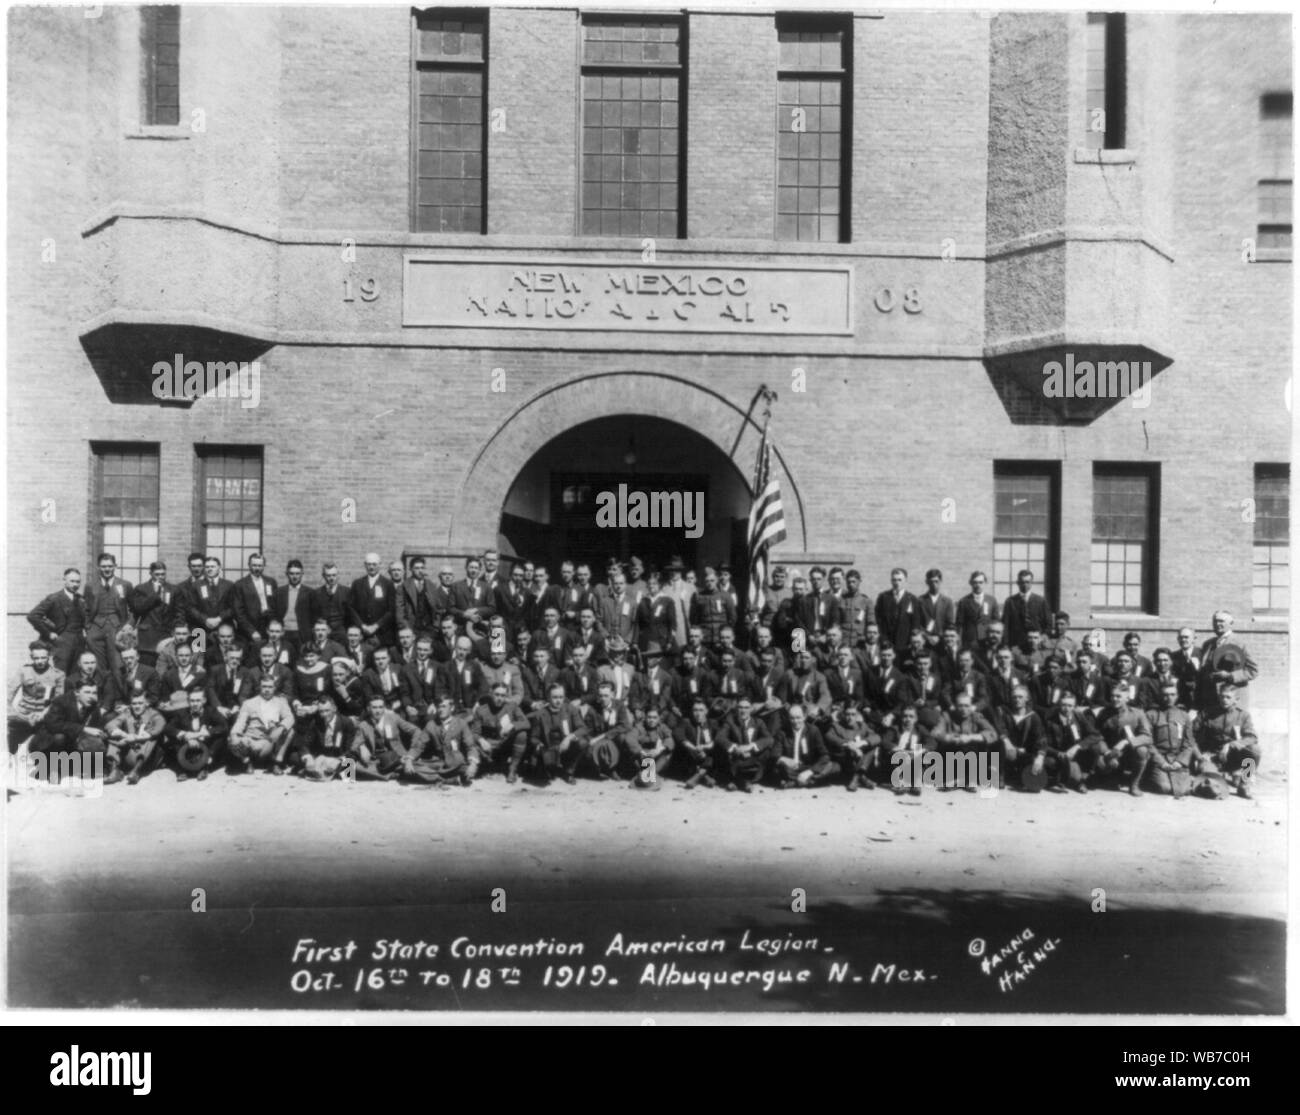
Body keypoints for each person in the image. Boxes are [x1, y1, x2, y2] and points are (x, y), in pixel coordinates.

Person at [1196, 685, 1260, 800]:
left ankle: (1244, 785)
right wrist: (1200, 755)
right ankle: (1223, 778)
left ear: (1236, 699)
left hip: (1233, 757)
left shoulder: (1243, 716)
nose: (1224, 700)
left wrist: (1230, 745)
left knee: (1254, 751)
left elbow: (1252, 737)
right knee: (1212, 790)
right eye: (1222, 697)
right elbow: (1190, 733)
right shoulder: (1207, 713)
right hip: (1212, 757)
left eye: (1228, 697)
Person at [931, 690, 998, 792]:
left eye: (967, 706)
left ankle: (967, 779)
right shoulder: (947, 715)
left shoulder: (976, 716)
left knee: (972, 743)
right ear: (955, 706)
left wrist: (971, 737)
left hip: (971, 754)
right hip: (952, 753)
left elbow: (993, 734)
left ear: (971, 706)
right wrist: (950, 737)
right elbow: (935, 732)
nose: (963, 709)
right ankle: (958, 779)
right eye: (960, 706)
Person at [229, 674, 294, 774]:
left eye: (270, 687)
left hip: (270, 742)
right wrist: (234, 734)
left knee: (290, 731)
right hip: (252, 741)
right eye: (264, 686)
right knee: (232, 739)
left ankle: (276, 763)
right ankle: (247, 763)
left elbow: (290, 718)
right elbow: (240, 722)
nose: (267, 690)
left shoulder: (281, 702)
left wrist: (280, 728)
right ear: (260, 687)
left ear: (274, 688)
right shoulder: (249, 703)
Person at [1096, 684, 1153, 797]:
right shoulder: (1104, 713)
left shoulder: (1137, 713)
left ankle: (1134, 784)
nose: (1114, 699)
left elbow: (1147, 736)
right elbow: (1097, 736)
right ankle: (1114, 777)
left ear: (1127, 698)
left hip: (1130, 752)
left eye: (1118, 696)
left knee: (1142, 750)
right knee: (1101, 766)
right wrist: (1107, 752)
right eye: (1112, 696)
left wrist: (1126, 742)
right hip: (1112, 752)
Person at [9, 642, 66, 753]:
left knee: (51, 743)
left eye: (43, 658)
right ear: (31, 657)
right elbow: (6, 696)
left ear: (49, 656)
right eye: (36, 658)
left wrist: (43, 714)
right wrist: (20, 716)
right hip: (24, 716)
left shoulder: (58, 675)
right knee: (11, 747)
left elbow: (59, 702)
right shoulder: (23, 671)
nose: (39, 661)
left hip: (44, 717)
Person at [1195, 611, 1258, 710]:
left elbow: (1253, 670)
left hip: (1233, 699)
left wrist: (1230, 676)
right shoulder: (1208, 644)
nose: (1217, 624)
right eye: (1215, 621)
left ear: (1231, 623)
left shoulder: (1240, 643)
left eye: (1221, 621)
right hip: (1211, 699)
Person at [28, 568, 87, 673]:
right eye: (72, 581)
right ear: (64, 580)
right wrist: (48, 633)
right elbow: (33, 616)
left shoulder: (81, 599)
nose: (75, 584)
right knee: (60, 675)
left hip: (79, 643)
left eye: (78, 582)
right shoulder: (54, 598)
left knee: (76, 676)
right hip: (61, 643)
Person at [468, 682, 529, 783]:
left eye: (503, 695)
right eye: (497, 695)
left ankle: (512, 769)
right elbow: (474, 732)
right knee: (472, 742)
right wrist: (481, 740)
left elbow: (526, 722)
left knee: (522, 735)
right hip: (488, 746)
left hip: (505, 744)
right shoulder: (481, 710)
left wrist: (513, 725)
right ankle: (480, 767)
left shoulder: (512, 707)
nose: (499, 698)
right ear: (491, 693)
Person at [1041, 691, 1102, 793]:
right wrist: (1058, 753)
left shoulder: (1079, 716)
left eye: (1070, 706)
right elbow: (1043, 742)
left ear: (1074, 706)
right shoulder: (1049, 719)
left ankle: (1084, 777)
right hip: (1058, 755)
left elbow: (1096, 735)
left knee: (1096, 747)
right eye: (1063, 705)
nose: (1067, 709)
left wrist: (1078, 746)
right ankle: (1060, 779)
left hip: (1076, 753)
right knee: (1050, 763)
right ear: (1059, 705)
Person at [530, 683, 590, 785]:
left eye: (561, 697)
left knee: (583, 742)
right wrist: (538, 745)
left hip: (566, 746)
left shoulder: (570, 709)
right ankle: (549, 768)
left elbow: (583, 728)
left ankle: (569, 772)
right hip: (549, 747)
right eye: (555, 697)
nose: (558, 701)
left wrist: (569, 738)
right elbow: (533, 737)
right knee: (544, 776)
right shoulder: (540, 714)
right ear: (548, 698)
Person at [163, 687, 228, 781]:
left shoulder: (211, 711)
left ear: (204, 700)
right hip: (187, 746)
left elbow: (224, 726)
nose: (195, 704)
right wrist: (185, 735)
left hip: (205, 745)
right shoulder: (181, 713)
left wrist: (203, 733)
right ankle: (181, 770)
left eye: (198, 700)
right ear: (189, 701)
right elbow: (167, 728)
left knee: (220, 737)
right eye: (192, 701)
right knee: (173, 738)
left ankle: (206, 767)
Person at [83, 552, 133, 673]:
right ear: (98, 567)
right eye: (104, 566)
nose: (107, 569)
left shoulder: (125, 584)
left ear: (115, 566)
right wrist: (88, 628)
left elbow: (133, 609)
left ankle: (117, 691)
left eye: (110, 566)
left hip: (117, 629)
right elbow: (86, 609)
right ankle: (100, 691)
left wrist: (129, 624)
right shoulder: (90, 586)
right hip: (96, 629)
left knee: (117, 666)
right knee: (98, 667)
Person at [1145, 681, 1196, 798]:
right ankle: (1147, 777)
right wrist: (1161, 762)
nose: (1169, 698)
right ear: (1160, 696)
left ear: (1177, 696)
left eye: (1172, 694)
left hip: (1178, 759)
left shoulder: (1184, 716)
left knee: (1184, 790)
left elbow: (1189, 743)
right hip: (1159, 760)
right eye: (1165, 695)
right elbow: (1148, 742)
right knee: (1165, 788)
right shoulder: (1151, 715)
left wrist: (1180, 761)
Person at [105, 692, 166, 785]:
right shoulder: (128, 713)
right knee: (114, 736)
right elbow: (110, 725)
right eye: (134, 703)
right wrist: (124, 735)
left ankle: (136, 771)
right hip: (131, 753)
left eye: (140, 703)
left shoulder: (154, 714)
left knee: (151, 739)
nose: (137, 706)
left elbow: (159, 727)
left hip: (148, 758)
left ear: (147, 703)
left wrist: (136, 738)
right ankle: (114, 770)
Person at [775, 704, 839, 789]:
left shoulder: (813, 730)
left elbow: (825, 755)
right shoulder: (782, 732)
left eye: (798, 717)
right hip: (791, 768)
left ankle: (794, 782)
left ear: (804, 717)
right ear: (788, 718)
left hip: (809, 766)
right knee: (778, 768)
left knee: (835, 767)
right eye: (792, 718)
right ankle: (808, 781)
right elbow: (775, 754)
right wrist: (784, 759)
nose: (795, 721)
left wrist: (810, 771)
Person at [129, 561, 177, 668]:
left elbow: (176, 612)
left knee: (164, 668)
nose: (160, 577)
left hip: (166, 635)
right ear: (150, 573)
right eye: (157, 574)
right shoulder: (141, 588)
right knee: (147, 668)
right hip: (147, 639)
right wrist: (154, 594)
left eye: (163, 574)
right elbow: (138, 608)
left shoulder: (173, 589)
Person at [826, 705, 885, 791]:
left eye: (853, 715)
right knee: (850, 751)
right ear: (842, 715)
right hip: (844, 759)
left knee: (872, 746)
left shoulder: (862, 726)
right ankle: (861, 777)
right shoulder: (836, 726)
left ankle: (857, 776)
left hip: (859, 758)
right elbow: (829, 736)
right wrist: (848, 744)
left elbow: (877, 737)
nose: (850, 718)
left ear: (857, 716)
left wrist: (862, 743)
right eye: (847, 714)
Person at [348, 552, 398, 650]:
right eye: (369, 564)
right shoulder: (357, 584)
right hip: (362, 632)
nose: (371, 567)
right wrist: (362, 625)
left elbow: (391, 610)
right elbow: (351, 608)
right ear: (365, 565)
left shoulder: (387, 584)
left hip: (382, 633)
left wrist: (376, 626)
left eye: (374, 564)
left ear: (379, 565)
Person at [584, 681, 632, 780]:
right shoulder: (593, 708)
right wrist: (592, 739)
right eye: (601, 696)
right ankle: (606, 769)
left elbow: (624, 725)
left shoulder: (619, 705)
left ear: (612, 695)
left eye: (606, 696)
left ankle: (619, 769)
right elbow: (587, 728)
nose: (603, 699)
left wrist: (604, 736)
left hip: (613, 737)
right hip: (599, 741)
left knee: (623, 738)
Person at [232, 552, 278, 648]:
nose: (257, 568)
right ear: (249, 565)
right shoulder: (240, 585)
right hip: (249, 629)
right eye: (254, 565)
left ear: (264, 566)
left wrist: (273, 627)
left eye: (260, 565)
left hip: (267, 627)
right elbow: (239, 613)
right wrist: (251, 631)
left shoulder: (271, 582)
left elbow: (275, 605)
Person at [185, 555, 235, 639]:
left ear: (219, 567)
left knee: (223, 651)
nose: (210, 569)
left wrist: (219, 618)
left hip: (223, 626)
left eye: (213, 566)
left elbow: (233, 607)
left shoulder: (229, 585)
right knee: (199, 651)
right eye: (207, 567)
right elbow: (191, 607)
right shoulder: (196, 585)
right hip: (200, 627)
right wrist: (205, 619)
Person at [1001, 569, 1050, 651]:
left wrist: (1043, 638)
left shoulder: (1041, 601)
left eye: (1027, 582)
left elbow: (1048, 623)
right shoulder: (1010, 601)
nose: (1024, 585)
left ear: (1031, 583)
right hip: (1016, 644)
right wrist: (1005, 644)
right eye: (1022, 582)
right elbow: (1005, 624)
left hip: (1036, 644)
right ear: (1017, 583)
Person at [274, 559, 314, 654]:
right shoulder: (279, 592)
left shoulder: (310, 593)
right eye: (291, 573)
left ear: (302, 574)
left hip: (301, 633)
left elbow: (313, 615)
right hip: (284, 633)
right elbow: (274, 613)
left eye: (297, 573)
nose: (294, 576)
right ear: (287, 574)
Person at [955, 571, 998, 650]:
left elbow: (996, 621)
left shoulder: (992, 600)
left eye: (981, 582)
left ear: (985, 583)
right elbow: (959, 624)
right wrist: (959, 642)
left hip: (987, 641)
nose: (978, 585)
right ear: (970, 583)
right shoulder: (964, 601)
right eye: (975, 582)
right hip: (969, 642)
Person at [917, 568, 957, 650]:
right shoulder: (920, 600)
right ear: (927, 582)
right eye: (931, 582)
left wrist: (940, 637)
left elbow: (950, 623)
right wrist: (928, 637)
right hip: (925, 641)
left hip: (943, 641)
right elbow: (918, 623)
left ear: (941, 581)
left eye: (936, 581)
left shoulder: (947, 601)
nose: (934, 584)